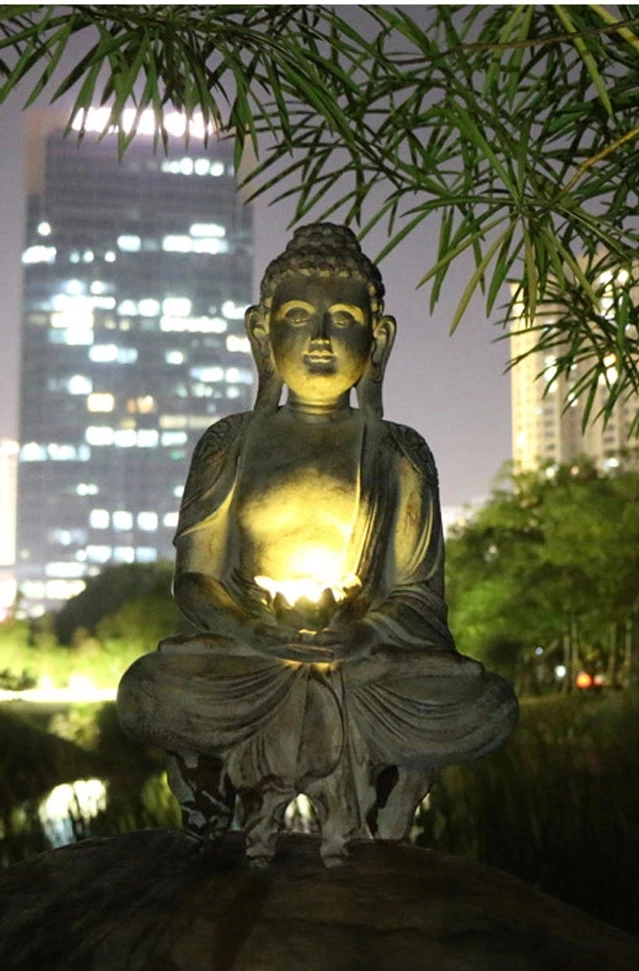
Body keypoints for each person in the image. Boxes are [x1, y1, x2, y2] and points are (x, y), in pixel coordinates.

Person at [117, 223, 517, 866]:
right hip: (255, 654)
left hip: (361, 659)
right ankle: (212, 794)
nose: (322, 339)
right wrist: (254, 629)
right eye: (299, 317)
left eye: (345, 319)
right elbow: (196, 582)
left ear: (378, 338)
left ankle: (385, 798)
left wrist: (364, 634)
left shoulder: (399, 452)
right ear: (262, 333)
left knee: (485, 702)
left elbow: (417, 595)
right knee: (151, 688)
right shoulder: (231, 443)